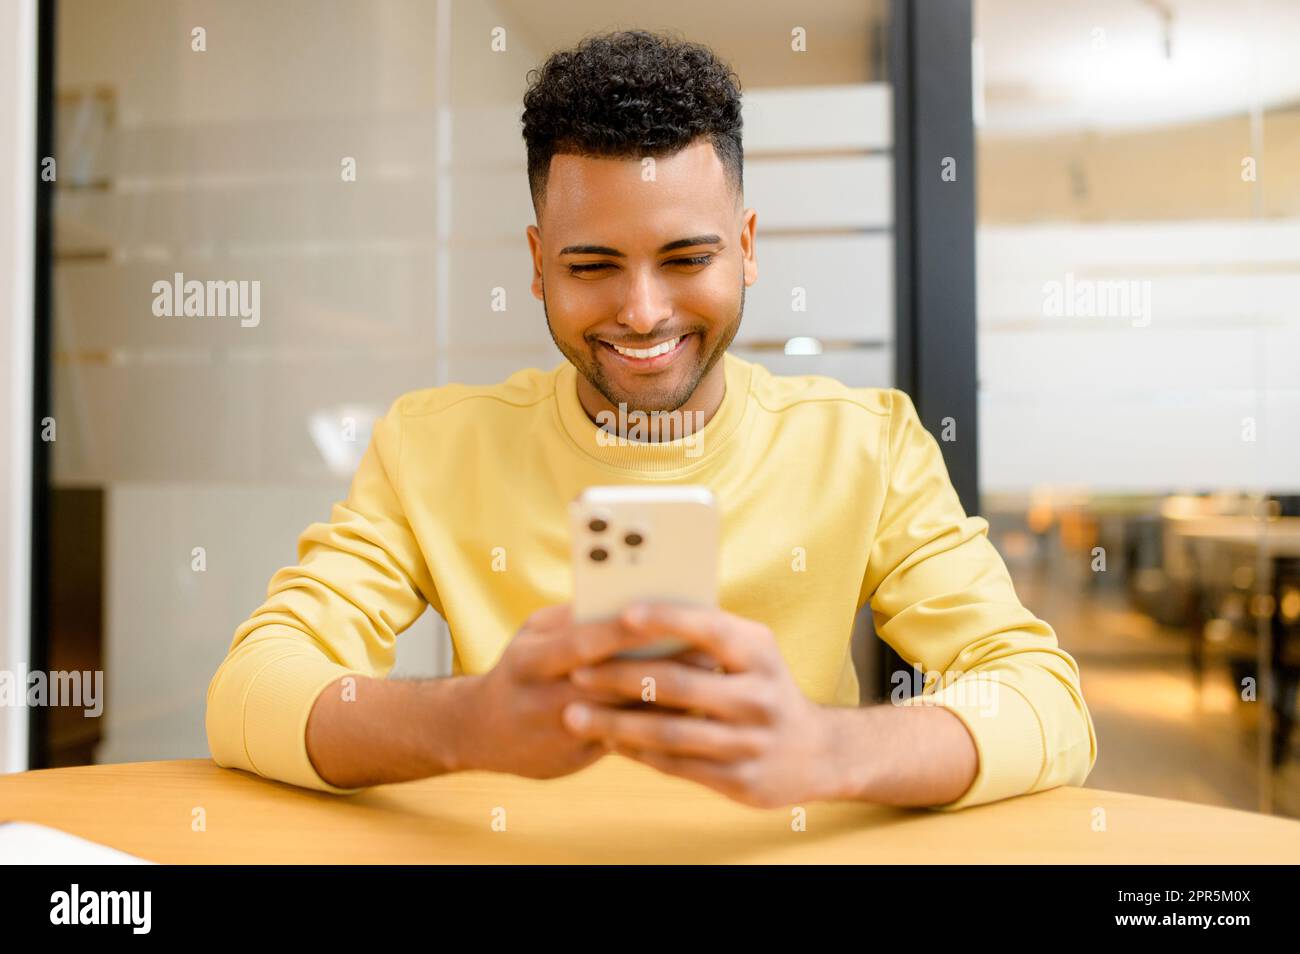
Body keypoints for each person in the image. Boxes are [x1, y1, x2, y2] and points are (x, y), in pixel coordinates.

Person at [205, 28, 1097, 811]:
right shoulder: (431, 447)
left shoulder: (866, 443)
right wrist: (463, 724)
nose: (641, 312)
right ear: (537, 263)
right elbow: (253, 689)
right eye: (592, 265)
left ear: (746, 249)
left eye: (685, 257)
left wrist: (829, 749)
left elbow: (1043, 701)